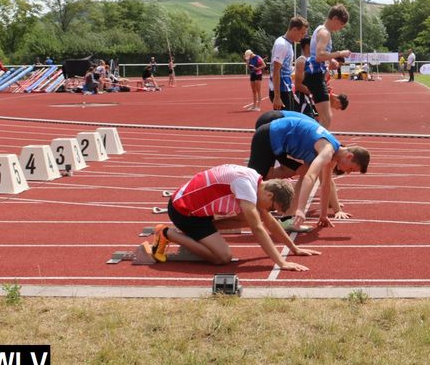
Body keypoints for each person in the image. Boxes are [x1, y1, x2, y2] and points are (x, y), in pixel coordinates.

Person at [143, 164, 319, 271]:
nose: (270, 211)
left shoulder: (255, 180)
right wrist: (281, 262)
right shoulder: (245, 185)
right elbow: (258, 228)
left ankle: (202, 235)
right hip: (184, 211)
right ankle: (166, 233)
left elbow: (269, 222)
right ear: (270, 196)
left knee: (251, 217)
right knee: (223, 258)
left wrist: (293, 248)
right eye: (273, 208)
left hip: (196, 208)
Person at [246, 111, 369, 231]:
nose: (348, 172)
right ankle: (233, 213)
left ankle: (287, 218)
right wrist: (301, 209)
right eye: (352, 169)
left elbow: (326, 184)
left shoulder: (332, 153)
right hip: (268, 136)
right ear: (349, 156)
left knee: (298, 171)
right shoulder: (327, 150)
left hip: (278, 140)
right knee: (252, 180)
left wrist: (323, 215)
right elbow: (310, 177)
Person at [304, 4, 352, 129]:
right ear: (335, 19)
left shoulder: (321, 30)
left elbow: (318, 53)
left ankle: (315, 142)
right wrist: (340, 53)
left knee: (321, 117)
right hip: (315, 76)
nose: (340, 28)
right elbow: (319, 55)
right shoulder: (325, 33)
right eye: (341, 24)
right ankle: (316, 145)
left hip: (315, 75)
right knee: (326, 118)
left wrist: (330, 60)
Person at [270, 15, 309, 113]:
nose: (303, 36)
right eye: (302, 33)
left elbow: (284, 67)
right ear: (295, 29)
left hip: (286, 88)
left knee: (291, 119)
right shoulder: (282, 45)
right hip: (282, 90)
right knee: (286, 122)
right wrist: (277, 96)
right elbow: (276, 71)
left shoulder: (287, 44)